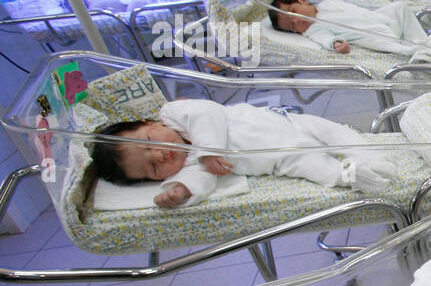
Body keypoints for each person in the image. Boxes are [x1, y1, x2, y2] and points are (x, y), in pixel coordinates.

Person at [90, 99, 396, 208]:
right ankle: (353, 175)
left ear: (149, 122)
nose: (159, 156)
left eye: (148, 143)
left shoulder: (174, 114)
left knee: (337, 133)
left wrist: (209, 151)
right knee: (316, 168)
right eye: (152, 170)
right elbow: (202, 181)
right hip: (281, 159)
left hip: (290, 123)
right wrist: (180, 190)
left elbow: (205, 112)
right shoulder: (190, 166)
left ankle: (369, 157)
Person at [268, 0, 430, 56]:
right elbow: (323, 38)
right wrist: (336, 44)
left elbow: (356, 10)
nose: (296, 21)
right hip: (371, 34)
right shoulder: (313, 29)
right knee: (380, 41)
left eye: (293, 12)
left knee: (399, 7)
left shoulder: (329, 1)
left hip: (378, 18)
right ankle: (413, 52)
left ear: (302, 0)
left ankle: (422, 43)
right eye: (292, 26)